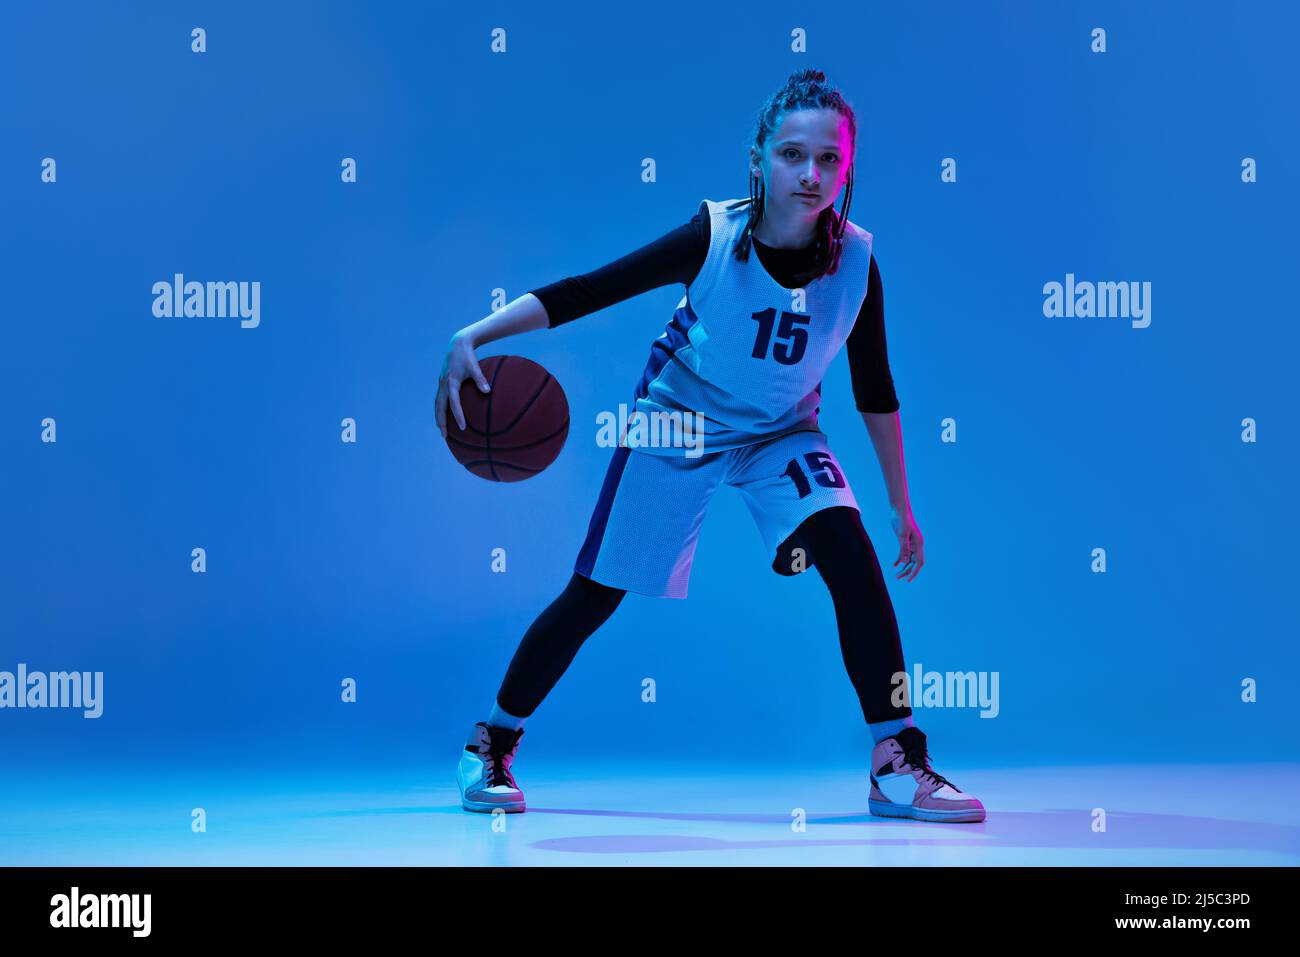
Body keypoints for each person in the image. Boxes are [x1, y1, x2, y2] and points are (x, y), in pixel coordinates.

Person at [436, 69, 985, 824]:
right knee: (598, 591)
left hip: (781, 431)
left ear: (846, 168)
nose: (812, 173)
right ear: (758, 158)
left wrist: (900, 506)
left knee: (851, 555)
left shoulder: (857, 261)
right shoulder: (715, 236)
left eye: (829, 159)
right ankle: (489, 741)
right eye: (794, 154)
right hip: (680, 419)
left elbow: (876, 390)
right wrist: (475, 333)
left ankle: (896, 759)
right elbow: (592, 288)